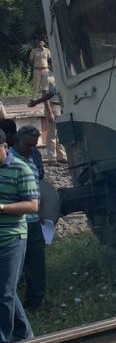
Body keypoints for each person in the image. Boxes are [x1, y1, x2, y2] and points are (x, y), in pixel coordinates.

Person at [0, 139, 37, 343]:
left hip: (12, 237)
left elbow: (32, 205)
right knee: (5, 290)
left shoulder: (20, 168)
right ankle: (24, 333)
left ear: (5, 146)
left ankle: (4, 340)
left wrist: (3, 208)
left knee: (4, 291)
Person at [9, 127, 45, 310]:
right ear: (17, 140)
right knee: (16, 267)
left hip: (33, 220)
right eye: (28, 145)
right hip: (17, 221)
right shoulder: (9, 160)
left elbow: (40, 183)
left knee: (37, 262)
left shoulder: (34, 156)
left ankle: (35, 302)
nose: (31, 148)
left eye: (34, 145)